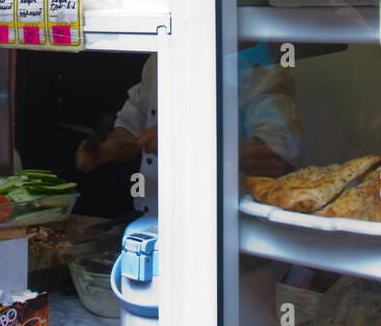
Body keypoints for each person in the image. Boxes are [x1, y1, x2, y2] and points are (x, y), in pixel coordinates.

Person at [75, 47, 302, 207]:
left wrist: (189, 140)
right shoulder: (161, 54)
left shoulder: (258, 63)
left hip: (225, 235)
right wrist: (110, 149)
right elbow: (133, 123)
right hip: (156, 217)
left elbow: (274, 157)